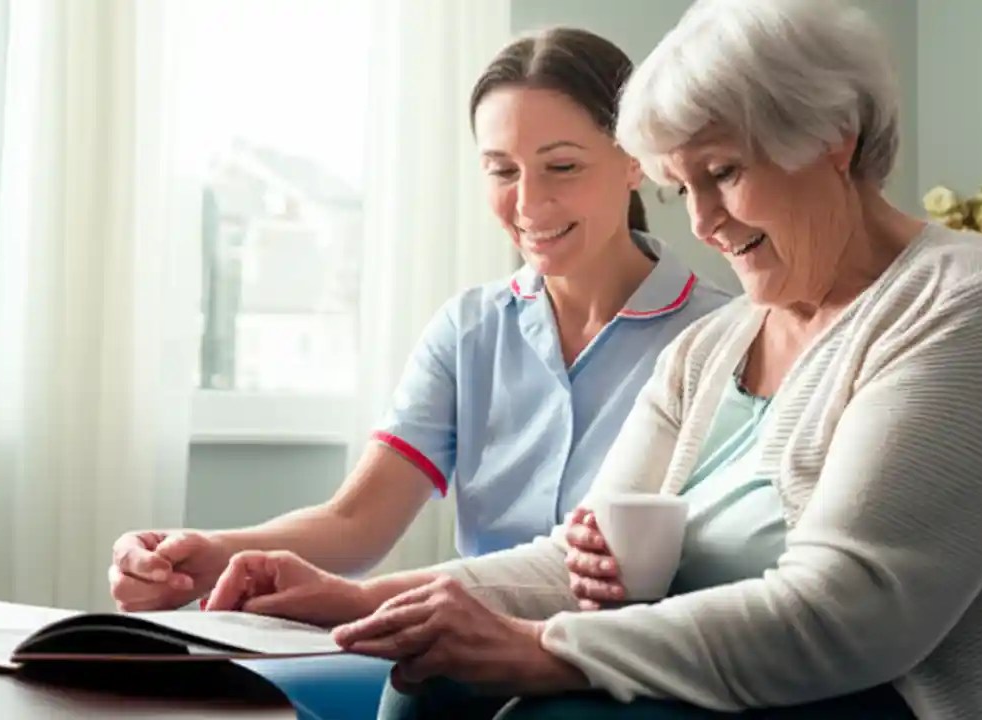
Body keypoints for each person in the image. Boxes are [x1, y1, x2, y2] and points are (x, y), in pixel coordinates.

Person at [197, 0, 982, 718]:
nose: (702, 223)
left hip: (891, 697)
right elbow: (566, 563)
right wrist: (361, 600)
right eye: (681, 186)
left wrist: (544, 651)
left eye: (725, 172)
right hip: (734, 678)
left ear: (831, 137)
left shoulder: (969, 307)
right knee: (431, 678)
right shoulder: (714, 346)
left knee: (561, 716)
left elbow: (846, 615)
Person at [108, 27, 730, 614]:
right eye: (502, 169)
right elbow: (356, 522)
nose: (527, 202)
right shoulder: (470, 331)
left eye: (562, 167)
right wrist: (199, 555)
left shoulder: (720, 338)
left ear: (636, 162)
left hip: (615, 665)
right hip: (459, 655)